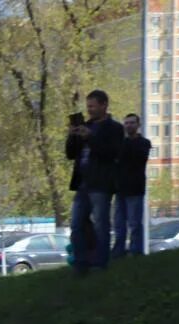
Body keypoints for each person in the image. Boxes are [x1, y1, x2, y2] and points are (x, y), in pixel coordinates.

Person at [65, 89, 124, 273]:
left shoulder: (114, 128)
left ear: (104, 105)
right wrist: (72, 135)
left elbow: (111, 153)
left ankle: (100, 263)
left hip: (101, 182)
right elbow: (70, 154)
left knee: (101, 224)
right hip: (83, 182)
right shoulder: (86, 125)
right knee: (76, 224)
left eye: (92, 106)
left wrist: (90, 138)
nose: (89, 110)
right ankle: (81, 262)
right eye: (87, 106)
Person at [112, 113, 151, 259]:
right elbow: (117, 161)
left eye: (132, 123)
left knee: (134, 223)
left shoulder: (143, 143)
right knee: (119, 224)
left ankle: (136, 250)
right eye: (126, 123)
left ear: (138, 125)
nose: (129, 126)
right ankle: (119, 251)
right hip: (120, 188)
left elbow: (137, 160)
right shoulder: (120, 143)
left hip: (135, 188)